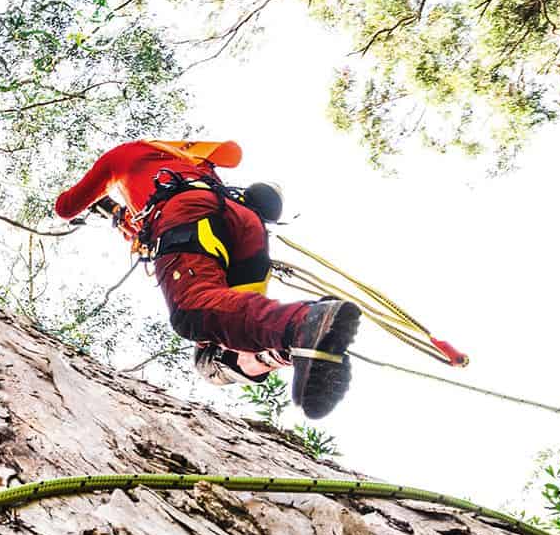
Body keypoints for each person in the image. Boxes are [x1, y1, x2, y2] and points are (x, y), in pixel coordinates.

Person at [53, 139, 361, 418]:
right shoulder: (193, 161)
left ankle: (305, 323)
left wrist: (101, 197)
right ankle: (292, 350)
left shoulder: (124, 156)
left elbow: (65, 207)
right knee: (215, 354)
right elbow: (146, 224)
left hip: (188, 212)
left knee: (192, 309)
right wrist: (121, 214)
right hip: (243, 224)